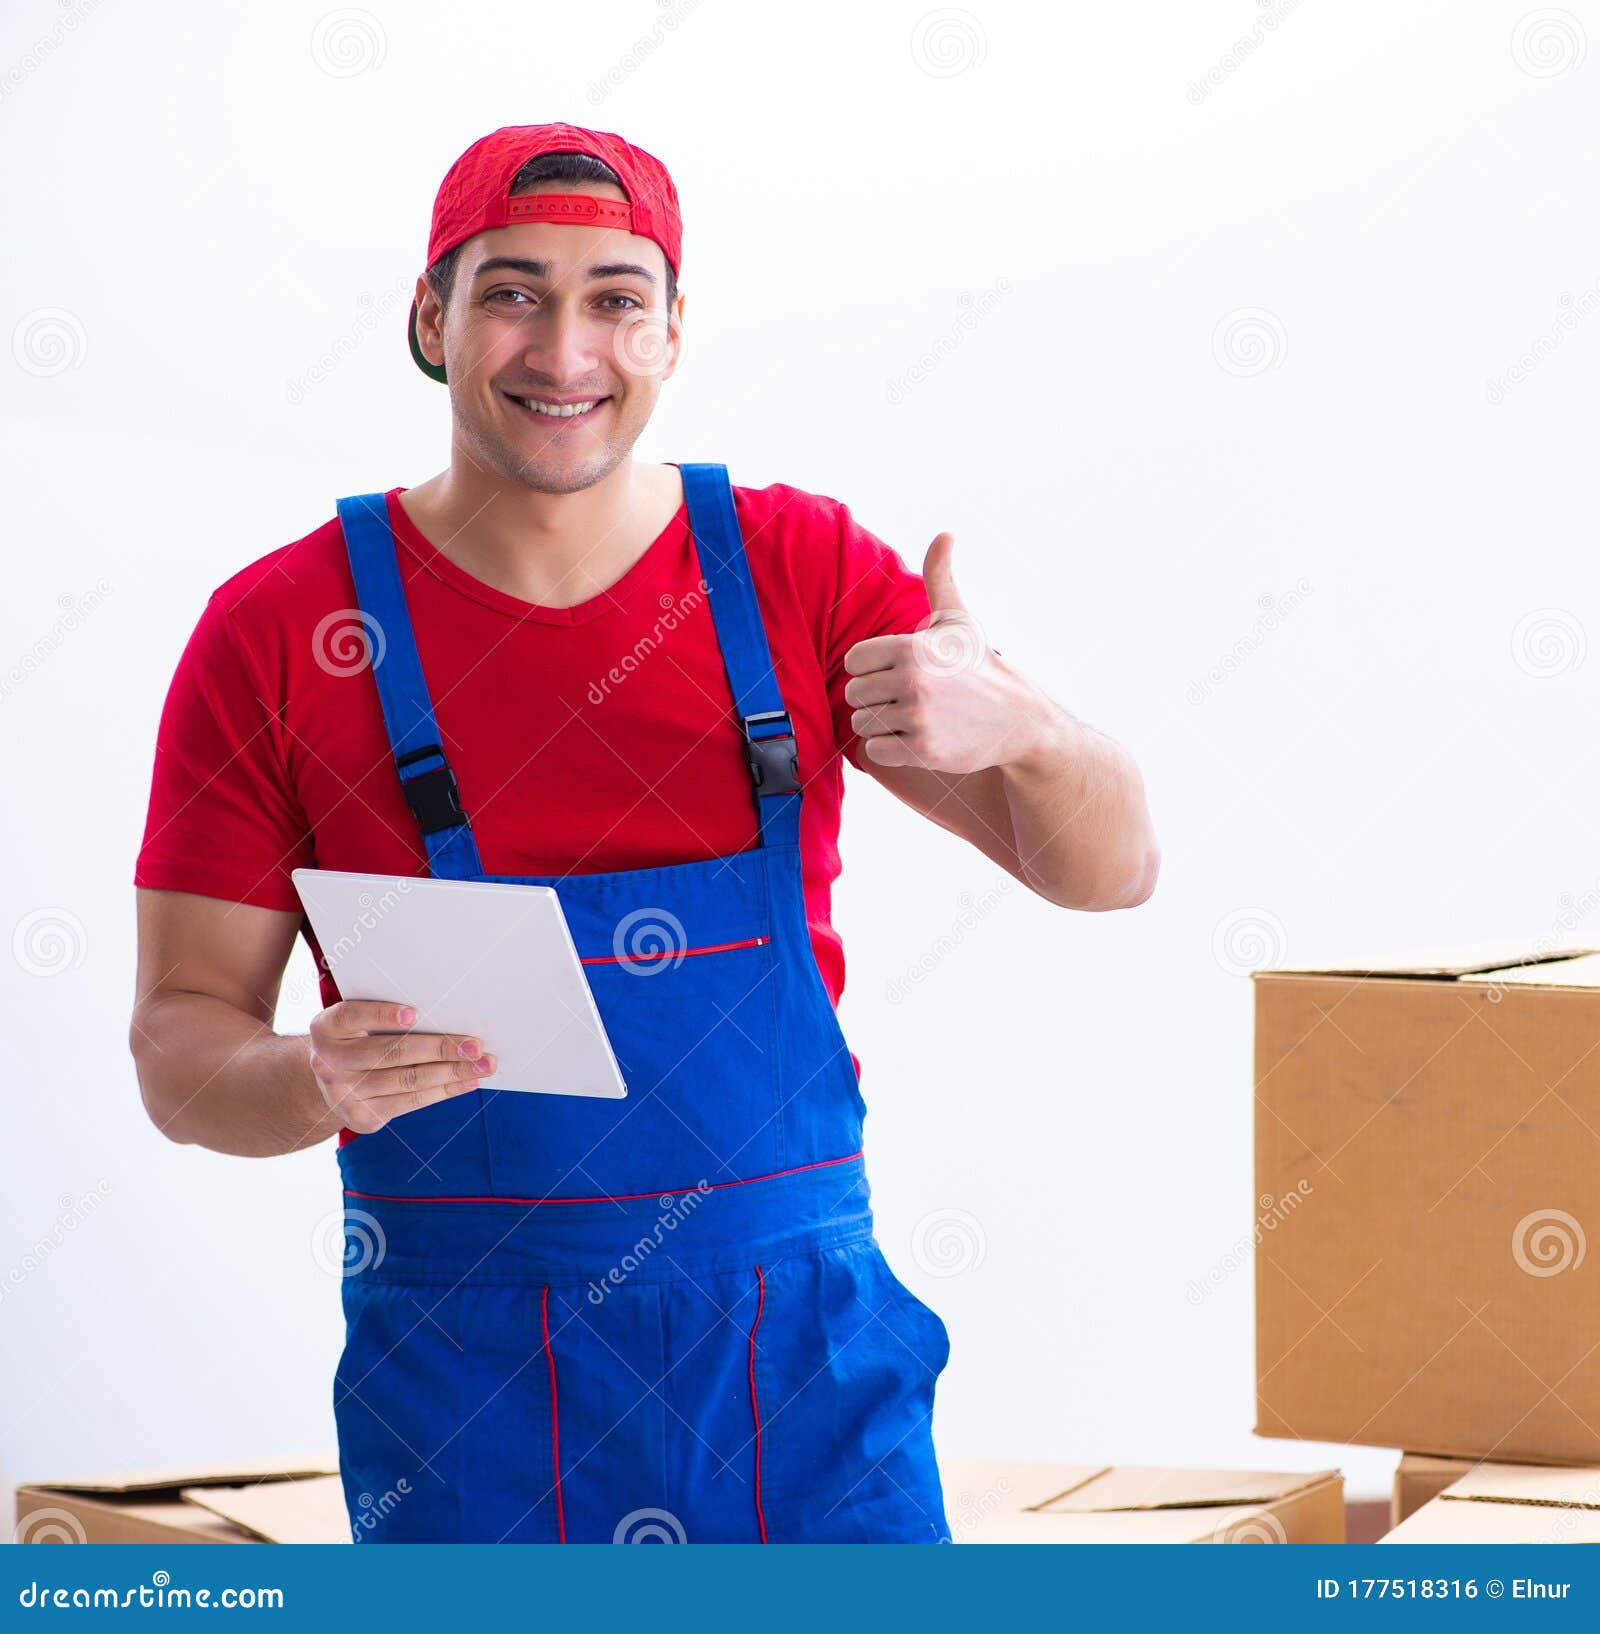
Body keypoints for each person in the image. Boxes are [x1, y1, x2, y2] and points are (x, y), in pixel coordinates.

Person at [129, 121, 1160, 1544]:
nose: (565, 350)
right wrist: (311, 1078)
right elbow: (181, 1048)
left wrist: (1033, 730)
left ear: (673, 331)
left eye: (614, 297)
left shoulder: (793, 573)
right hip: (466, 1393)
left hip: (805, 1370)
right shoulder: (285, 636)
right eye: (511, 292)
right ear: (430, 316)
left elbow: (1112, 875)